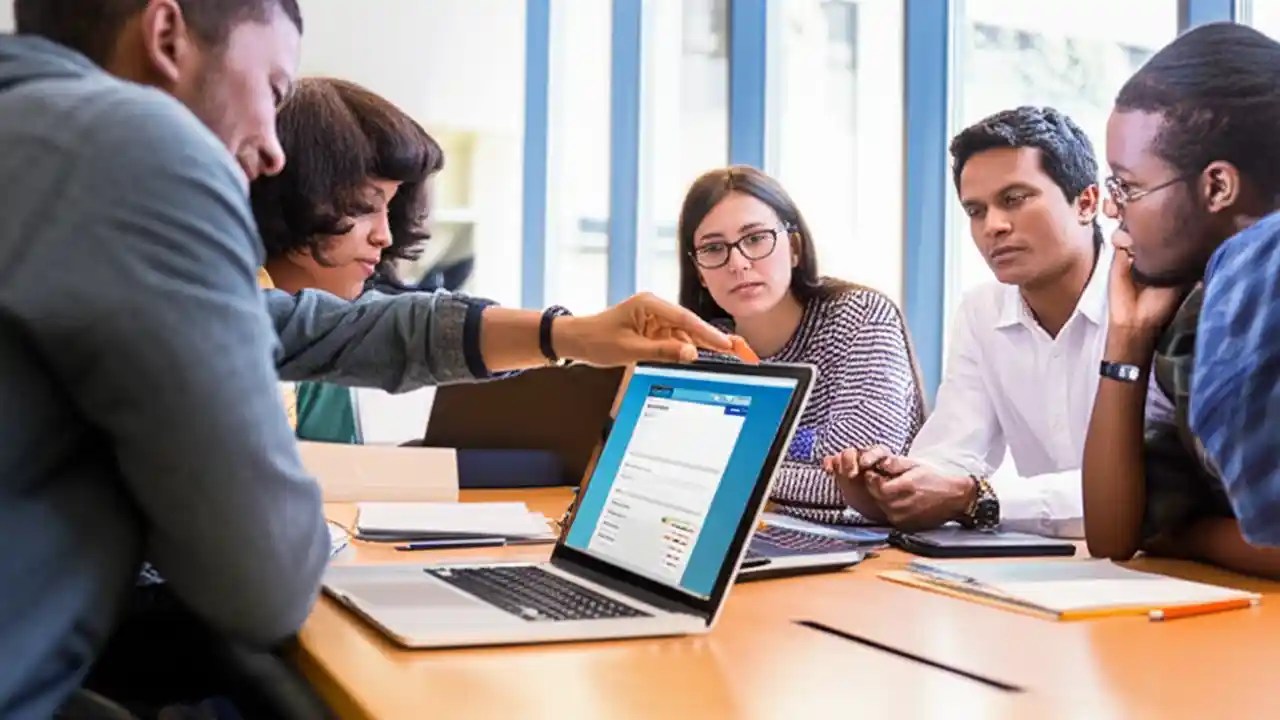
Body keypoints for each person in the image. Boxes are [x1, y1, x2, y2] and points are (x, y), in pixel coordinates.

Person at [0, 1, 731, 717]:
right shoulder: (128, 145)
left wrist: (565, 336)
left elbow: (314, 329)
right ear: (165, 36)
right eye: (272, 91)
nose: (272, 147)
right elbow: (261, 584)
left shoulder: (34, 138)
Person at [829, 106, 1120, 537]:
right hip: (1047, 566)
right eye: (975, 211)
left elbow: (1137, 490)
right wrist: (892, 485)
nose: (993, 227)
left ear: (1086, 202)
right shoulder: (982, 311)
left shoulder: (1143, 306)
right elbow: (951, 453)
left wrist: (975, 497)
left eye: (1015, 199)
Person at [1084, 22, 1280, 575]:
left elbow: (1161, 531)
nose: (1113, 210)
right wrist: (1128, 338)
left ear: (1217, 186)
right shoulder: (1193, 312)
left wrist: (1191, 536)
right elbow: (1115, 532)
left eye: (1129, 186)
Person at [677, 165, 925, 525]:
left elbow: (862, 486)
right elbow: (671, 476)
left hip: (866, 559)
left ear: (794, 248)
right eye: (714, 248)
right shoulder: (702, 348)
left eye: (756, 238)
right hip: (739, 540)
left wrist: (724, 477)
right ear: (699, 271)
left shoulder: (860, 318)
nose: (739, 263)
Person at [251, 76, 443, 444]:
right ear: (295, 193)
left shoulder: (328, 342)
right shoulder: (223, 320)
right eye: (365, 206)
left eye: (389, 207)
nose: (384, 235)